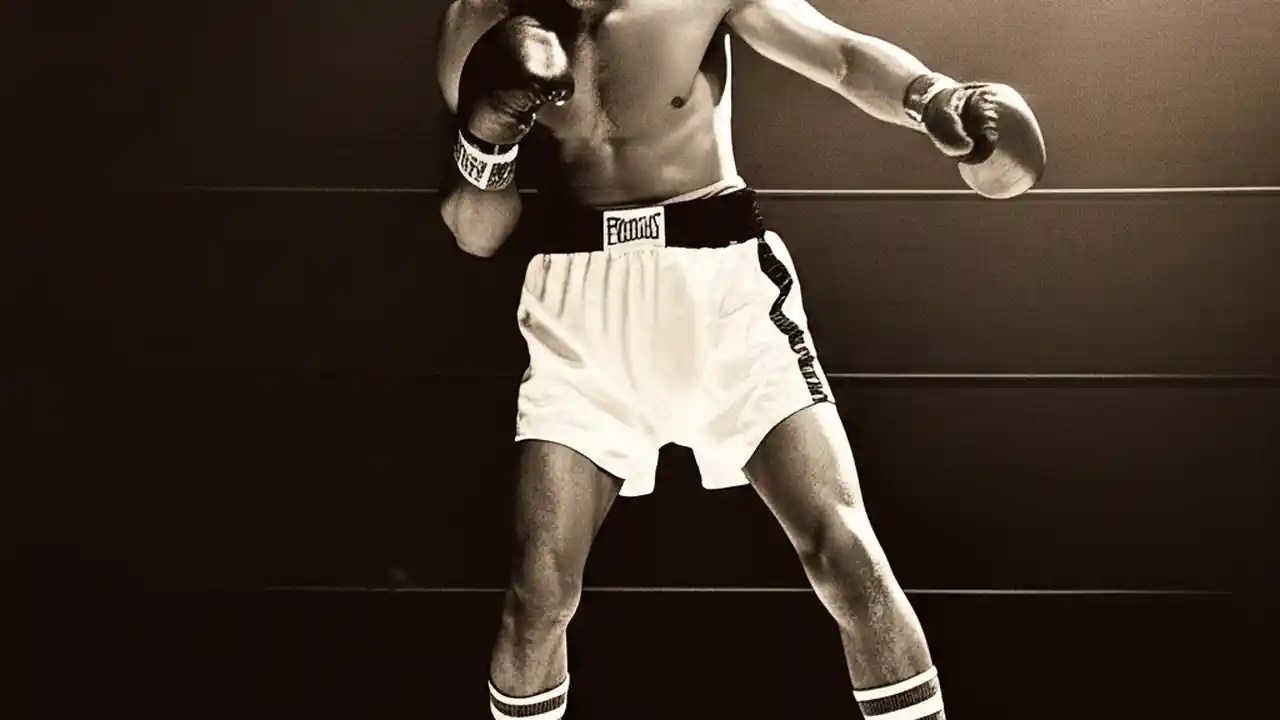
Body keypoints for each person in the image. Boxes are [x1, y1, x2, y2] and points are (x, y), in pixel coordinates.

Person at [437, 1, 1044, 718]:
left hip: (721, 286)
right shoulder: (480, 17)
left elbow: (840, 55)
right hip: (578, 303)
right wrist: (487, 143)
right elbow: (476, 231)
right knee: (538, 596)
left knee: (844, 555)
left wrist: (935, 96)